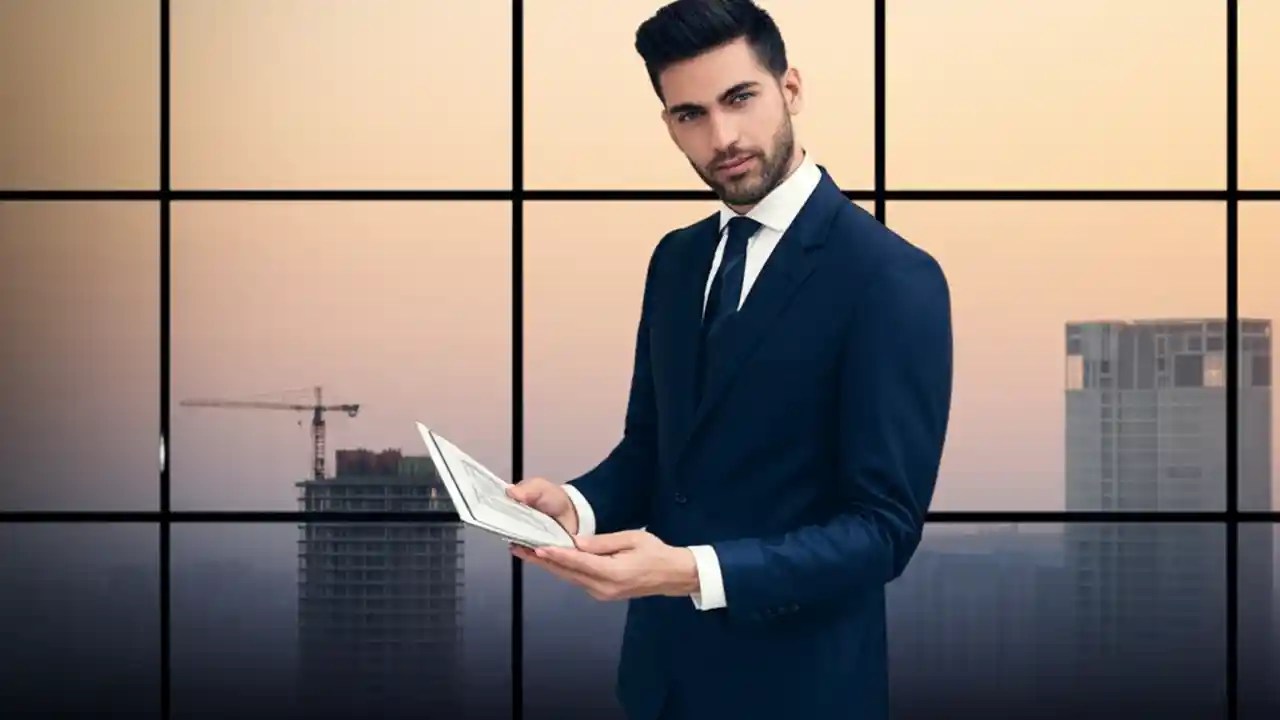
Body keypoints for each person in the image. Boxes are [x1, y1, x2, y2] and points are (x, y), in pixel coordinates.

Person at [506, 1, 953, 717]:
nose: (722, 137)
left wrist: (690, 571)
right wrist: (576, 505)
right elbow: (654, 450)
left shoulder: (890, 276)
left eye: (739, 98)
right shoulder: (676, 260)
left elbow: (881, 531)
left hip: (802, 693)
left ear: (790, 89)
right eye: (691, 114)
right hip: (659, 684)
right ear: (668, 124)